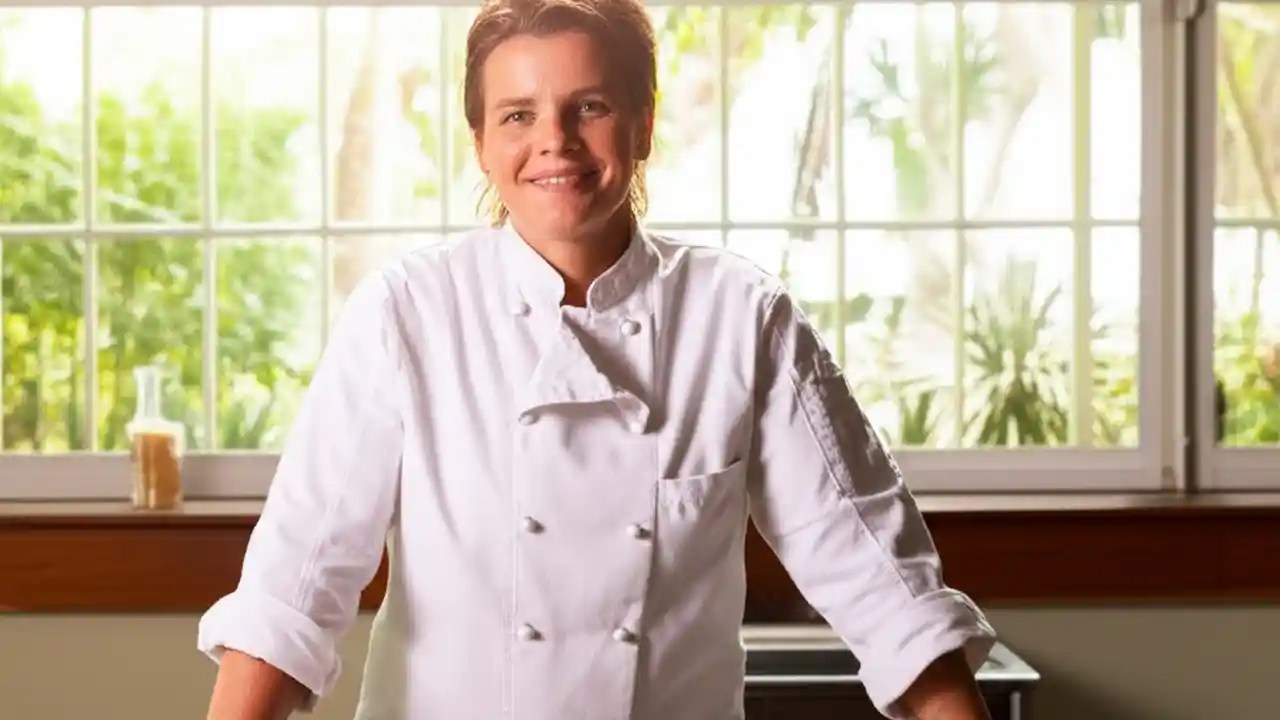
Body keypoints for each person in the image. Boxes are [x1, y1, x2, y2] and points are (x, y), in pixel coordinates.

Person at [197, 0, 998, 717]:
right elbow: (294, 589)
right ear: (479, 142)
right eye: (517, 115)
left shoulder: (741, 316)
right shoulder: (407, 313)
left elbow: (885, 589)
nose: (554, 142)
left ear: (643, 125)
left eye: (590, 107)